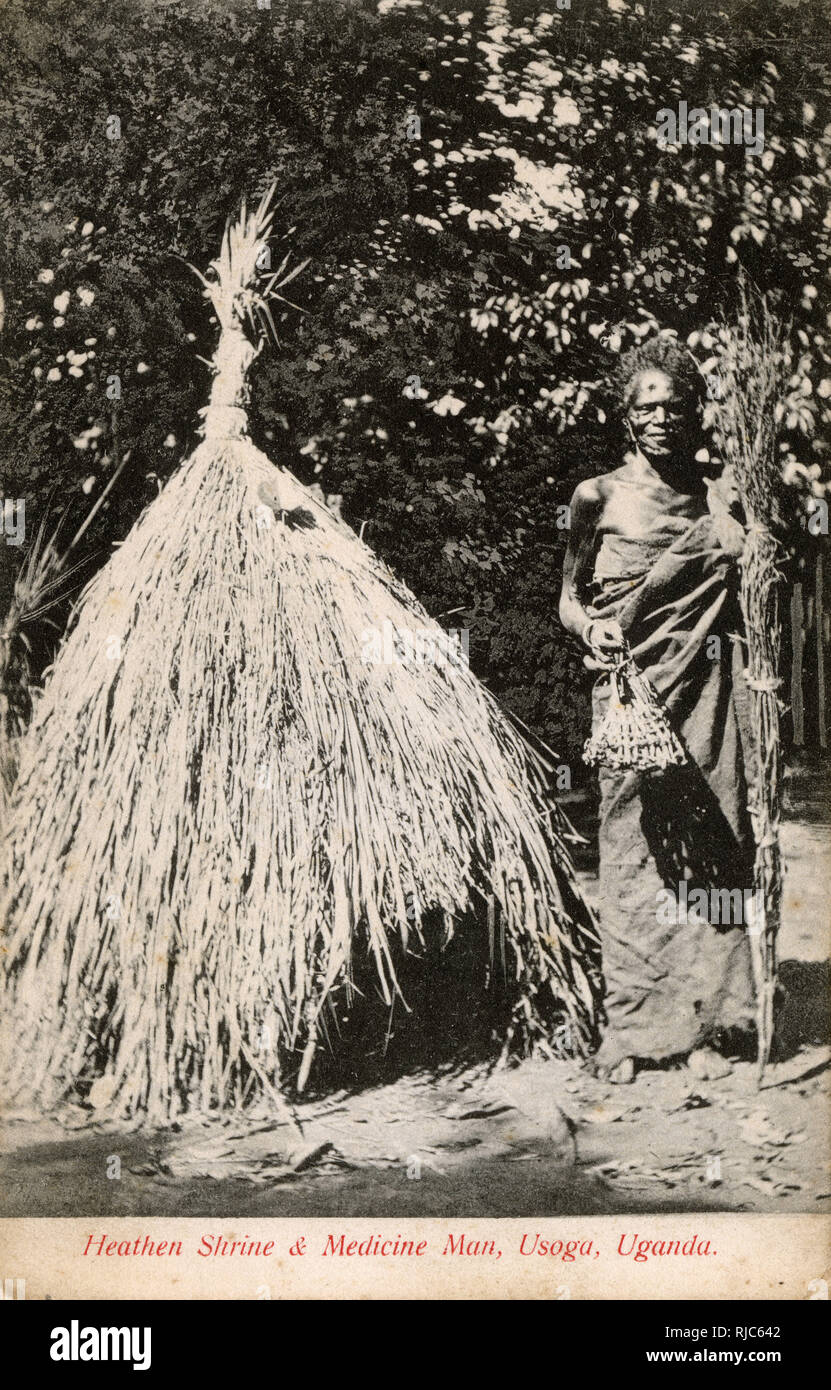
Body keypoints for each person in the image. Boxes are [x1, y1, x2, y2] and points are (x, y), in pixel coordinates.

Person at [559, 336, 756, 1083]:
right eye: (648, 406)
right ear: (625, 414)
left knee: (712, 841)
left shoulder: (716, 496)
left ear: (694, 413)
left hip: (707, 690)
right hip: (628, 694)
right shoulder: (596, 497)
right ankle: (632, 1027)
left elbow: (749, 581)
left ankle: (709, 1022)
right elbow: (568, 600)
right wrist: (593, 626)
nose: (663, 419)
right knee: (632, 848)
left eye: (676, 405)